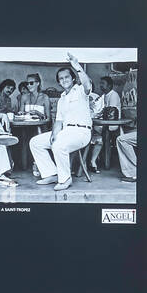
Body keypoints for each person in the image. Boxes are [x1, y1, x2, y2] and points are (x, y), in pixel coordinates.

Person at [30, 53, 93, 192]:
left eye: (66, 77)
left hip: (81, 132)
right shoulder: (62, 99)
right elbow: (58, 121)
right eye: (61, 78)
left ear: (73, 78)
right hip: (65, 132)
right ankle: (51, 174)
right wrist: (54, 134)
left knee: (59, 145)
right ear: (58, 82)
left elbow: (87, 84)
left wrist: (77, 66)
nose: (64, 80)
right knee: (35, 142)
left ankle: (65, 179)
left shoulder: (81, 90)